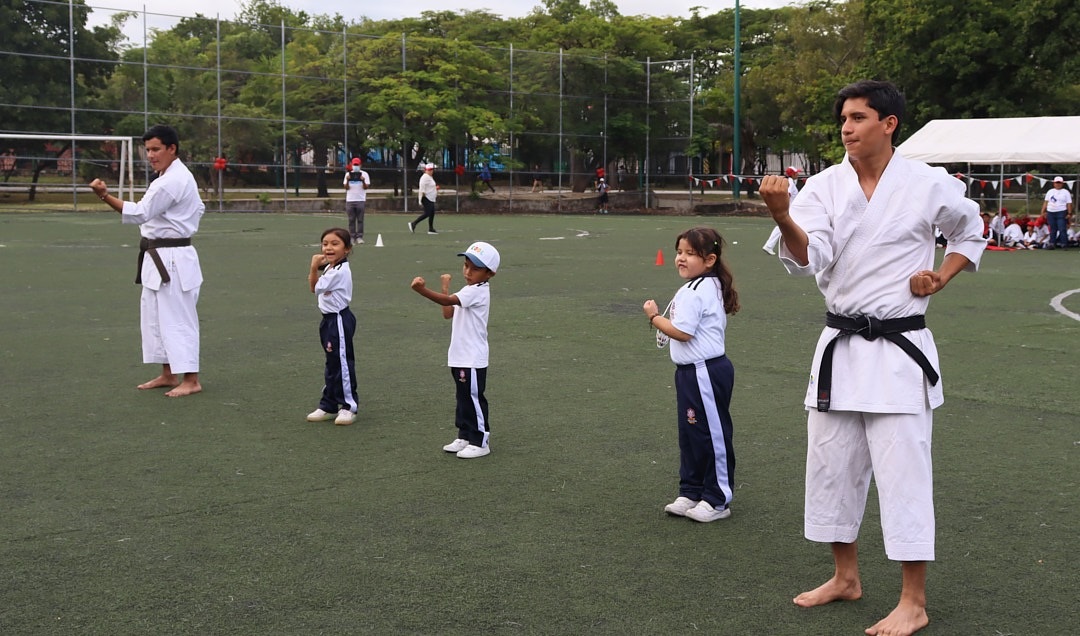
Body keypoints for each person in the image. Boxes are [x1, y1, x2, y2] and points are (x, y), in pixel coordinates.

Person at [759, 80, 985, 636]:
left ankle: (914, 600)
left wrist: (941, 276)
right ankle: (845, 576)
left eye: (858, 117)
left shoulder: (928, 182)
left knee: (905, 473)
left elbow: (969, 230)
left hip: (900, 349)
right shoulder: (824, 187)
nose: (846, 127)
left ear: (889, 124)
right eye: (843, 118)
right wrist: (782, 214)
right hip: (840, 349)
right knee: (832, 466)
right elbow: (812, 256)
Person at [89, 124, 206, 398]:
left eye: (156, 149)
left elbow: (140, 212)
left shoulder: (173, 180)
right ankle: (168, 374)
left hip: (173, 258)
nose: (151, 155)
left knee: (178, 318)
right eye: (148, 150)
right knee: (155, 317)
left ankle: (191, 378)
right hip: (158, 255)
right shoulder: (167, 176)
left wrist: (104, 196)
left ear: (171, 148)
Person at [643, 226, 740, 523]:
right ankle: (692, 490)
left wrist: (653, 316)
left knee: (712, 435)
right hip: (690, 373)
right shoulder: (698, 287)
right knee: (691, 433)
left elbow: (683, 333)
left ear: (709, 260)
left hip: (705, 372)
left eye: (690, 254)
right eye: (679, 252)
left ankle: (717, 498)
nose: (680, 259)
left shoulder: (697, 290)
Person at [410, 241, 501, 459]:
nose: (468, 272)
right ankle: (465, 435)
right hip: (460, 356)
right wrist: (444, 286)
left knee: (473, 398)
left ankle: (480, 440)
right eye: (466, 265)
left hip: (472, 358)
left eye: (475, 269)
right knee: (462, 398)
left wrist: (422, 290)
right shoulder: (469, 289)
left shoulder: (479, 292)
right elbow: (448, 312)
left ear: (490, 273)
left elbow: (447, 301)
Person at [305, 228, 358, 426]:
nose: (328, 247)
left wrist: (313, 266)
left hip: (338, 319)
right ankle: (328, 404)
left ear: (347, 249)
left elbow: (313, 287)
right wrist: (322, 264)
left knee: (342, 363)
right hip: (328, 320)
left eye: (335, 244)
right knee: (332, 362)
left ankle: (348, 406)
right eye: (325, 243)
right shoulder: (333, 267)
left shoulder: (340, 271)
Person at [762, 166, 801, 254]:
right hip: (791, 209)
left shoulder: (790, 181)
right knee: (783, 227)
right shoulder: (790, 182)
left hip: (792, 209)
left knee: (788, 227)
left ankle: (790, 247)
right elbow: (788, 194)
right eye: (796, 173)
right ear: (793, 174)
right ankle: (769, 245)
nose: (798, 174)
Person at [1040, 176, 1073, 249]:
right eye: (1056, 183)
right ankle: (1052, 243)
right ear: (1054, 183)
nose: (1058, 184)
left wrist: (1069, 213)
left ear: (1062, 183)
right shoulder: (1050, 191)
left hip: (1061, 212)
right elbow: (1046, 202)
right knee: (1052, 229)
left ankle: (1064, 243)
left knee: (1062, 228)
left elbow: (1069, 203)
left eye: (1059, 183)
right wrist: (1043, 211)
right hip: (1050, 212)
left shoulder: (1065, 192)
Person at [343, 157, 370, 245]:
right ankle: (352, 237)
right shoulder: (348, 174)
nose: (355, 166)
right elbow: (346, 188)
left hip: (360, 199)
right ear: (352, 165)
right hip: (350, 200)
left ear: (360, 165)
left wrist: (362, 180)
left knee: (360, 219)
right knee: (351, 219)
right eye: (354, 165)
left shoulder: (365, 174)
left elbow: (366, 187)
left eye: (357, 165)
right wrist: (347, 180)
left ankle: (359, 237)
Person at [408, 163, 438, 235]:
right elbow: (422, 188)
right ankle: (413, 223)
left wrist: (435, 189)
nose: (433, 171)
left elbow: (430, 186)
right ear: (428, 170)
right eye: (431, 170)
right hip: (426, 198)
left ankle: (431, 229)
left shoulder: (429, 177)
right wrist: (422, 198)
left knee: (432, 213)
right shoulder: (425, 177)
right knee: (427, 213)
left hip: (430, 198)